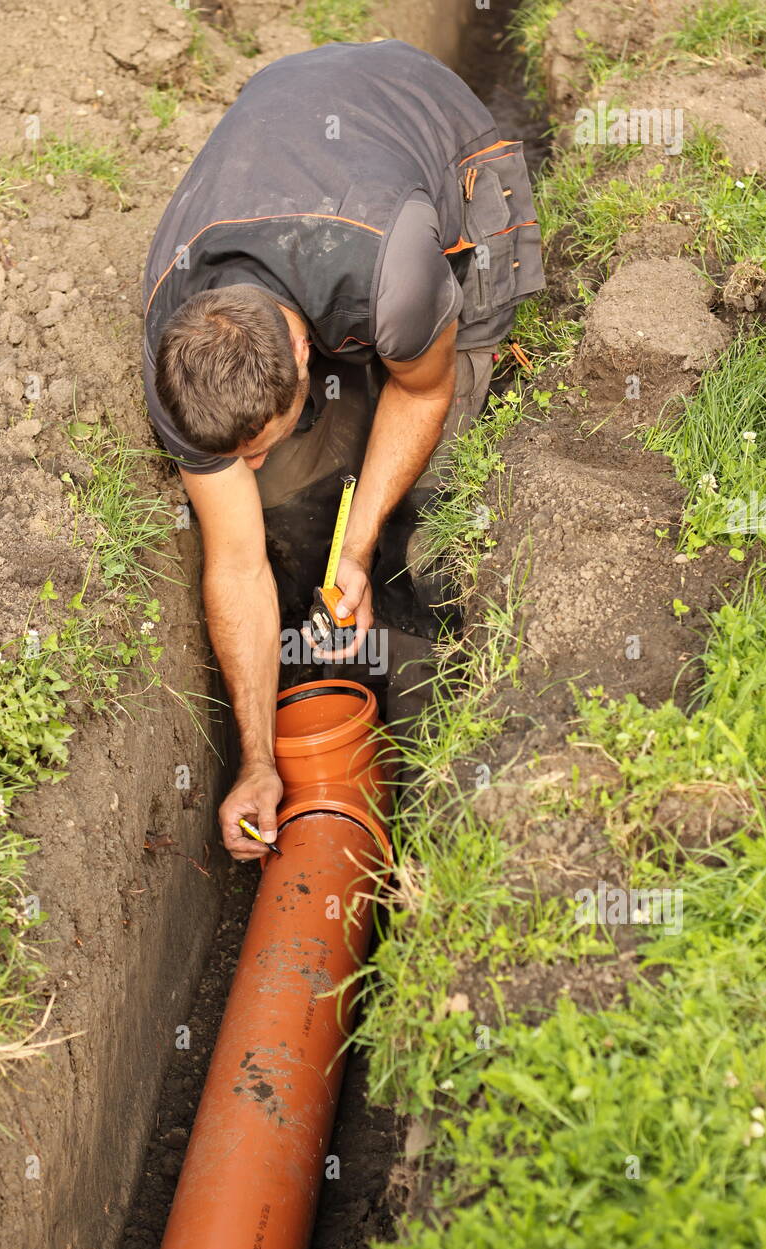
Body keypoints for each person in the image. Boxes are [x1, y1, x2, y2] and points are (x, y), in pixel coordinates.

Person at [143, 39, 545, 860]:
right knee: (297, 485)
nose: (249, 470)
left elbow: (423, 391)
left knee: (438, 470)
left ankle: (430, 719)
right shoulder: (177, 355)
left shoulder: (395, 275)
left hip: (433, 141)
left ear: (302, 355)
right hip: (295, 147)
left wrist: (360, 546)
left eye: (258, 447)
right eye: (242, 457)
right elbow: (235, 565)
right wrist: (257, 762)